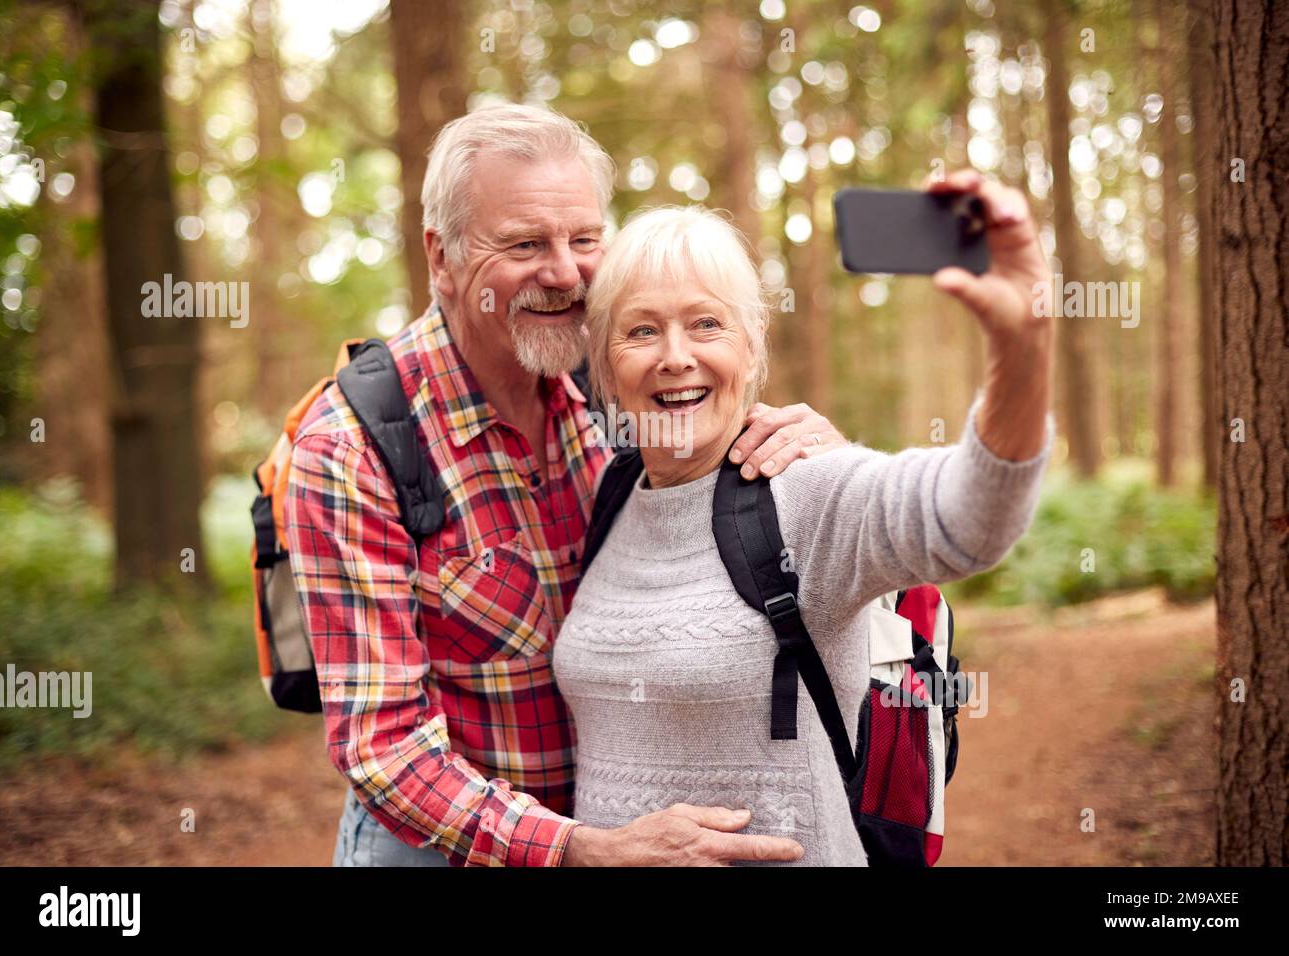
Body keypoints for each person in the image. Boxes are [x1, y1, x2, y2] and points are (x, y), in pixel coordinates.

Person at [284, 102, 842, 867]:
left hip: (620, 831)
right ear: (440, 258)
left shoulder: (616, 389)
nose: (565, 272)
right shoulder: (351, 449)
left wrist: (816, 459)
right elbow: (382, 748)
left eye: (585, 240)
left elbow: (729, 488)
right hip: (440, 849)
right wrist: (578, 849)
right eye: (524, 244)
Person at [552, 187, 1054, 866]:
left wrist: (1021, 348)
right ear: (606, 365)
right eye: (642, 330)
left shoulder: (807, 493)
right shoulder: (609, 497)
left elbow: (968, 521)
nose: (675, 356)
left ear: (753, 347)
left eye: (706, 324)